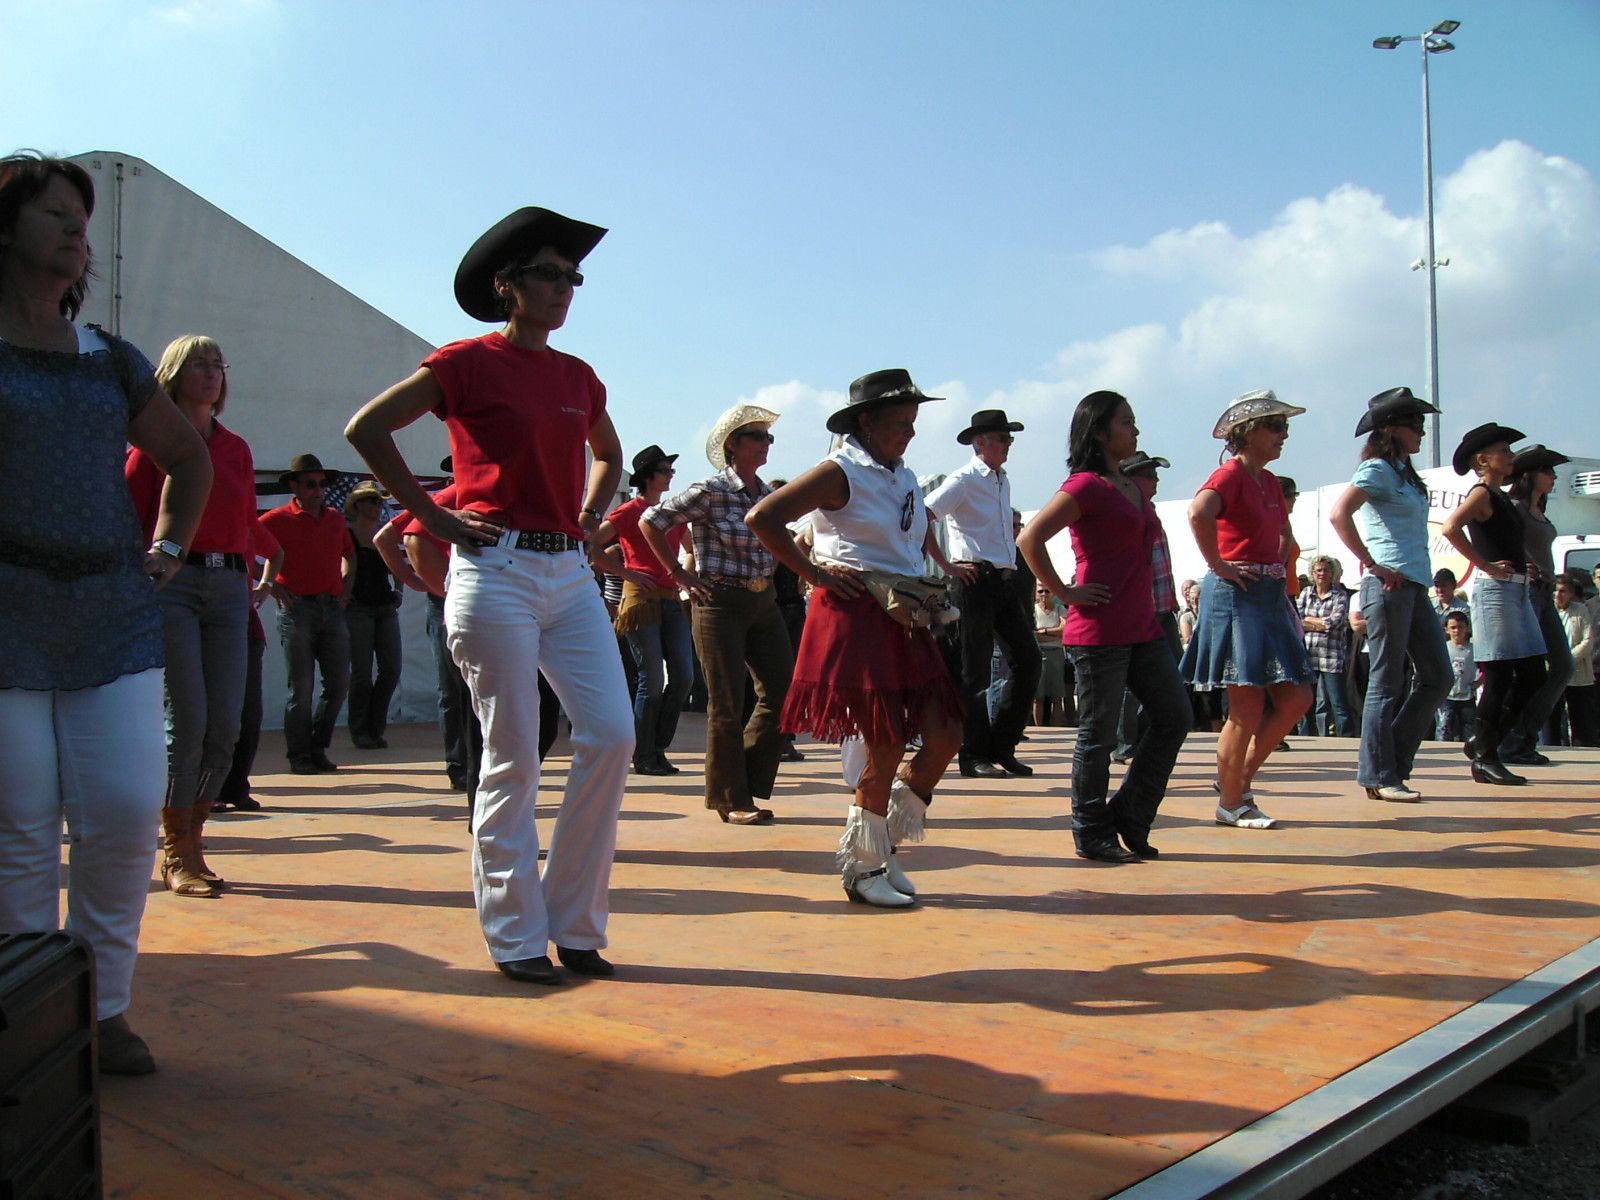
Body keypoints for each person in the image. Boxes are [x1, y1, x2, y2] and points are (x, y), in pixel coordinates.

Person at [346, 206, 632, 984]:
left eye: (573, 278)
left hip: (569, 570)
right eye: (549, 274)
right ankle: (514, 934)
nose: (565, 288)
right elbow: (367, 428)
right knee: (513, 753)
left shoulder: (579, 375)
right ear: (507, 286)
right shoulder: (465, 362)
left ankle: (574, 923)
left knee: (612, 734)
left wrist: (589, 513)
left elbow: (608, 453)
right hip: (493, 566)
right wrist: (431, 512)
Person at [0, 150, 212, 1073]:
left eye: (80, 218)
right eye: (54, 213)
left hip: (112, 611)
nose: (75, 230)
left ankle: (104, 1008)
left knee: (127, 810)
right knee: (17, 817)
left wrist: (166, 548)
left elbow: (188, 459)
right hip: (3, 610)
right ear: (5, 228)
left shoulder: (112, 360)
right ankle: (23, 1014)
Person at [747, 368, 964, 906]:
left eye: (913, 423)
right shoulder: (839, 469)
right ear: (865, 422)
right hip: (855, 613)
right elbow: (764, 517)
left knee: (946, 734)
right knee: (886, 743)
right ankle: (864, 868)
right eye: (898, 423)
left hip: (904, 614)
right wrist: (816, 573)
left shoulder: (904, 476)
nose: (909, 433)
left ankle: (879, 841)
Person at [1019, 394, 1190, 860]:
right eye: (1127, 423)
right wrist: (1063, 591)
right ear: (1099, 432)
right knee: (1098, 736)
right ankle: (1090, 831)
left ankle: (1130, 816)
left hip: (1144, 625)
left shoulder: (1130, 486)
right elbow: (1029, 537)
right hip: (1099, 629)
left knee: (1175, 715)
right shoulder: (1085, 486)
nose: (1136, 431)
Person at [126, 334, 266, 896]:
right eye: (198, 365)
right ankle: (175, 849)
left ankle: (196, 836)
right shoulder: (152, 444)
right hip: (175, 586)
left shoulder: (236, 448)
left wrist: (250, 592)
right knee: (186, 719)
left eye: (218, 365)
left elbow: (247, 526)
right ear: (174, 374)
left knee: (225, 724)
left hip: (230, 586)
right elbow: (130, 521)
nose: (211, 374)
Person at [643, 403, 792, 824]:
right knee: (727, 703)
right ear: (733, 444)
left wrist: (782, 568)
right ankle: (733, 799)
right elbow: (652, 520)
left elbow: (783, 539)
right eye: (758, 436)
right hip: (719, 602)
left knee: (783, 694)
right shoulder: (709, 490)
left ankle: (738, 781)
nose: (767, 444)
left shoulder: (768, 496)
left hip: (763, 603)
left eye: (769, 437)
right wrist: (677, 574)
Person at [1180, 389, 1313, 828]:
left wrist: (1277, 562)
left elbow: (1283, 530)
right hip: (1237, 595)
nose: (1285, 435)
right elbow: (1198, 511)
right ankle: (1232, 801)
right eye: (1277, 426)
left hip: (1267, 597)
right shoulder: (1231, 475)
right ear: (1249, 431)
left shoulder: (1269, 481)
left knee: (1296, 697)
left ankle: (1236, 783)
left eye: (1286, 427)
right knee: (1247, 707)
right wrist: (1217, 564)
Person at [1327, 387, 1452, 801]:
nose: (1421, 432)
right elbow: (1338, 513)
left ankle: (1390, 763)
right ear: (1391, 430)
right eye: (1414, 425)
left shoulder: (1405, 474)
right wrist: (1370, 561)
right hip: (1389, 585)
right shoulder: (1378, 470)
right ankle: (1381, 774)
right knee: (1386, 681)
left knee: (1438, 677)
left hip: (1415, 585)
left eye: (1421, 424)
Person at [925, 409, 1042, 778]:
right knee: (972, 672)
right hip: (973, 580)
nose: (1009, 444)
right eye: (1003, 438)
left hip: (1002, 580)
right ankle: (972, 753)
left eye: (1009, 438)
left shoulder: (999, 479)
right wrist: (947, 566)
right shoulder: (963, 480)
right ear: (981, 442)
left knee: (1028, 659)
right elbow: (923, 516)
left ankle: (1000, 746)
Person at [1439, 424, 1547, 786]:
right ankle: (1485, 757)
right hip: (1495, 592)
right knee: (1500, 674)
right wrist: (1484, 565)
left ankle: (1483, 742)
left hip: (1516, 588)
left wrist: (1521, 564)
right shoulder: (1482, 493)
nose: (1511, 456)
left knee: (1535, 673)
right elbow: (1450, 527)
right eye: (1504, 450)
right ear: (1483, 460)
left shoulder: (1500, 497)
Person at [593, 445, 693, 776]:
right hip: (640, 598)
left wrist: (686, 579)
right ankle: (645, 754)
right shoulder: (627, 512)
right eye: (666, 470)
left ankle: (655, 748)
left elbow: (693, 549)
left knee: (683, 677)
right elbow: (590, 545)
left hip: (669, 597)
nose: (671, 476)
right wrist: (626, 573)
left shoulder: (672, 512)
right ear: (648, 476)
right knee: (650, 678)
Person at [260, 453, 355, 774]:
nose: (318, 490)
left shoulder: (335, 519)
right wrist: (271, 586)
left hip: (331, 607)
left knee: (339, 684)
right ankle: (299, 756)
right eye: (311, 484)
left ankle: (317, 748)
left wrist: (346, 589)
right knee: (300, 689)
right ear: (294, 487)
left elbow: (350, 555)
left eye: (321, 484)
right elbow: (245, 549)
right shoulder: (275, 520)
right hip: (297, 609)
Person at [1500, 445, 1574, 764]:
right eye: (1548, 471)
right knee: (1527, 669)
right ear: (1531, 475)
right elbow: (1488, 538)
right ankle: (1512, 739)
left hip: (1545, 591)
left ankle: (1523, 735)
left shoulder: (1538, 509)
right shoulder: (1513, 506)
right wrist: (1515, 562)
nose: (1554, 476)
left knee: (1563, 666)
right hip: (1527, 592)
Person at [1110, 451, 1182, 763]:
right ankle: (1126, 745)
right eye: (1150, 475)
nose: (1156, 480)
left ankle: (1142, 740)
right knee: (1133, 683)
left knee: (1172, 678)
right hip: (1139, 613)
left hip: (1163, 610)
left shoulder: (1148, 510)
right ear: (1131, 479)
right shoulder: (1122, 512)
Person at [214, 517, 283, 813]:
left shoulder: (245, 519)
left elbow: (275, 552)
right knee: (214, 711)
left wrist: (266, 584)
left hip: (243, 623)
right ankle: (209, 788)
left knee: (248, 711)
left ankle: (237, 786)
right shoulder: (188, 514)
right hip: (206, 620)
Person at [343, 480, 403, 749]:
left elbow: (397, 563)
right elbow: (341, 567)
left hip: (384, 605)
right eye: (371, 501)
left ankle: (375, 726)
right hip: (358, 607)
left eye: (379, 501)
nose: (377, 506)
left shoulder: (383, 533)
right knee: (362, 672)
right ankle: (359, 729)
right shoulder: (348, 533)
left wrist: (400, 589)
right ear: (357, 504)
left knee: (391, 668)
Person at [1296, 556, 1356, 737]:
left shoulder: (1340, 596)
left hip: (1331, 657)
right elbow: (1296, 621)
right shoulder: (1306, 592)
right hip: (1308, 655)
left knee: (1338, 703)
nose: (1322, 574)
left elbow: (1335, 622)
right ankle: (1308, 737)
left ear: (1332, 574)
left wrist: (1309, 621)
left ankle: (1346, 738)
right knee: (1307, 702)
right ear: (1313, 573)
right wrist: (1319, 623)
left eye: (1326, 570)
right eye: (1318, 570)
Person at [1549, 576, 1594, 746]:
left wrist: (1567, 658)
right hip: (1553, 672)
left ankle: (1582, 751)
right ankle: (1551, 748)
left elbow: (1588, 641)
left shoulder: (1581, 610)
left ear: (1571, 593)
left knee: (1580, 718)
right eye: (1556, 590)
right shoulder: (1548, 611)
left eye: (1563, 591)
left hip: (1578, 673)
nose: (1559, 595)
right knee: (1552, 716)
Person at [1033, 583, 1067, 727]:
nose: (1044, 594)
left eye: (1047, 591)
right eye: (1040, 591)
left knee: (1057, 697)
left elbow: (1065, 629)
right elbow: (1032, 634)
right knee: (1038, 698)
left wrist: (1043, 631)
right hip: (1038, 654)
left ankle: (1057, 730)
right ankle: (1038, 730)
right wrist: (1055, 635)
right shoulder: (1032, 610)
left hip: (1056, 654)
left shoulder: (1060, 609)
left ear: (1053, 593)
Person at [1438, 611, 1476, 742]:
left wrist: (1477, 683)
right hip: (1447, 696)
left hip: (1467, 696)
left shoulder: (1473, 649)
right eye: (1453, 627)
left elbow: (1484, 670)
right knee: (1444, 728)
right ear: (1446, 630)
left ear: (1467, 628)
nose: (1457, 630)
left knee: (1469, 729)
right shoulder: (1443, 648)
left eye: (1460, 627)